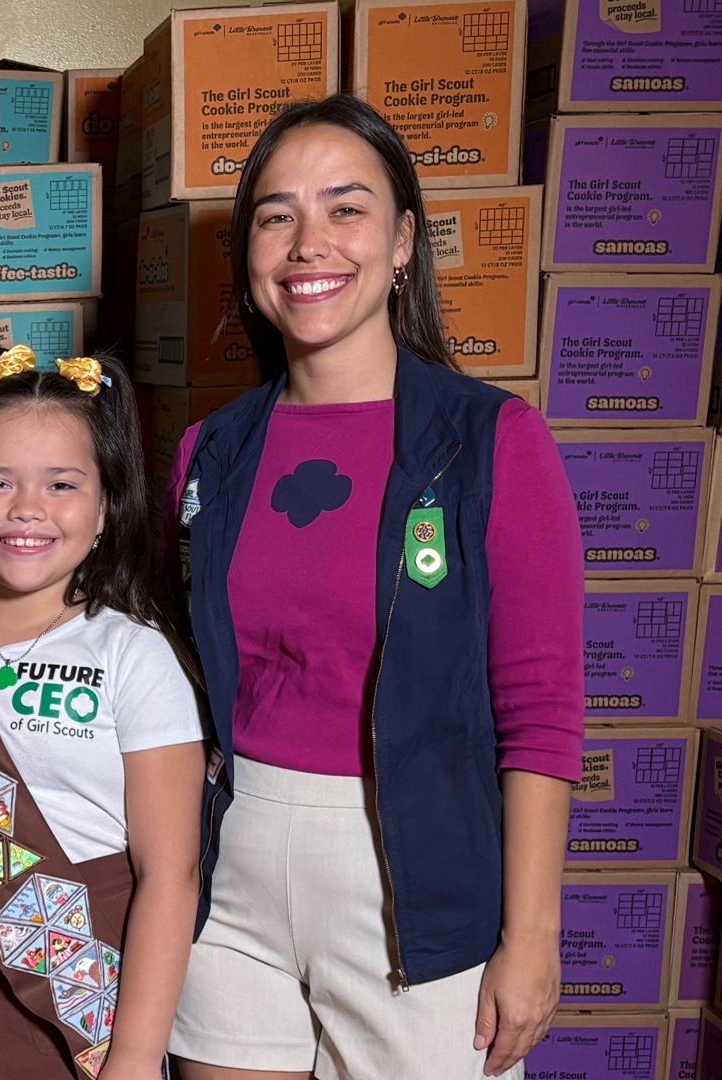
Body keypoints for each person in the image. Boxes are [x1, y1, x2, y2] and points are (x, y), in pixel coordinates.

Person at [165, 95, 583, 1080]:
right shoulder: (208, 452)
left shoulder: (490, 443)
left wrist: (531, 936)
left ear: (402, 241)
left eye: (346, 209)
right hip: (231, 870)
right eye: (277, 215)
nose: (309, 242)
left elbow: (540, 712)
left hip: (414, 873)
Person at [0, 346, 204, 1080]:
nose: (28, 509)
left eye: (62, 484)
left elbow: (171, 875)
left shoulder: (135, 656)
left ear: (106, 504)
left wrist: (136, 1059)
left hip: (92, 1006)